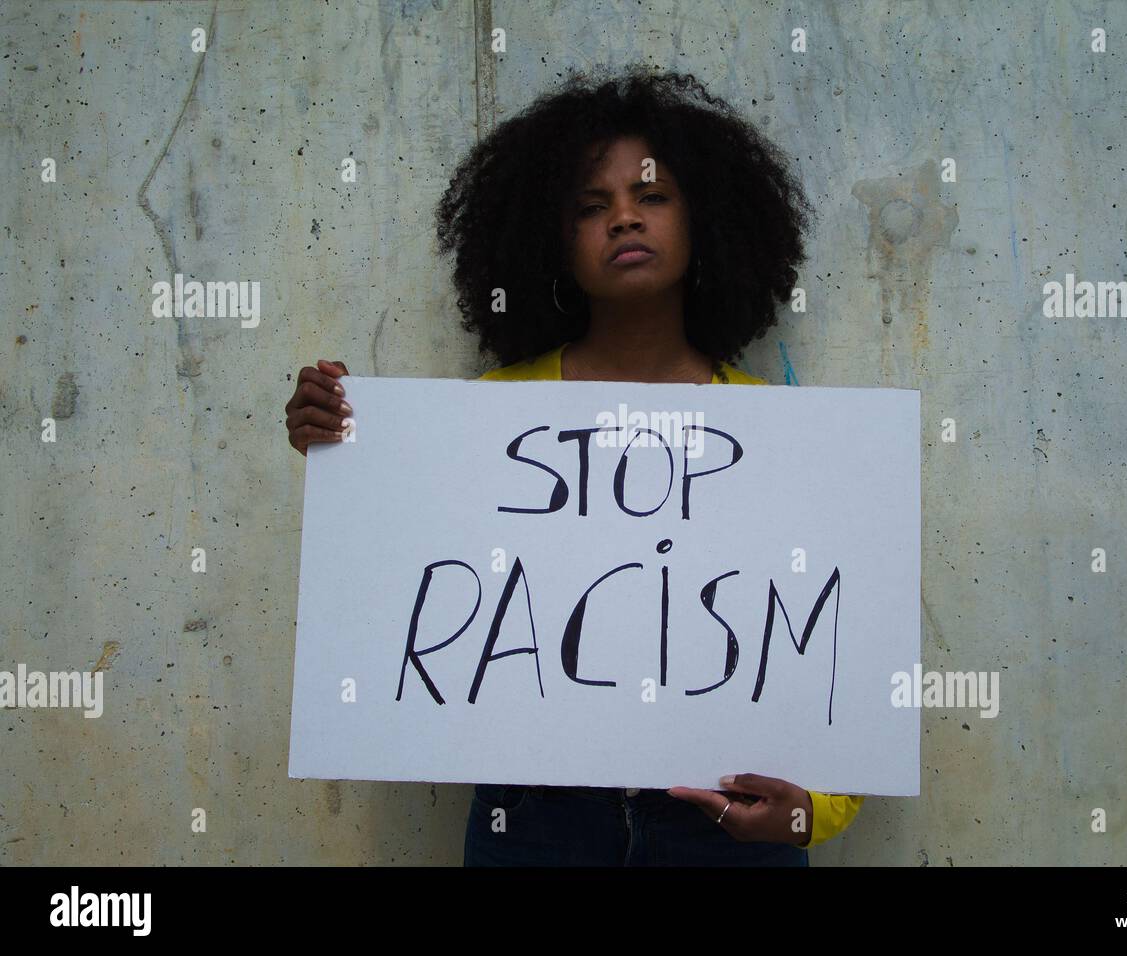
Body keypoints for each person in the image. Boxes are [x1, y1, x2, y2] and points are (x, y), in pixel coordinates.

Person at [284, 64, 865, 865]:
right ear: (552, 244)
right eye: (591, 208)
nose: (624, 219)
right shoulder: (484, 418)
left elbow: (837, 663)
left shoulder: (784, 435)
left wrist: (809, 819)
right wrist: (341, 445)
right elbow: (400, 593)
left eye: (652, 197)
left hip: (727, 831)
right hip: (533, 827)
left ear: (708, 222)